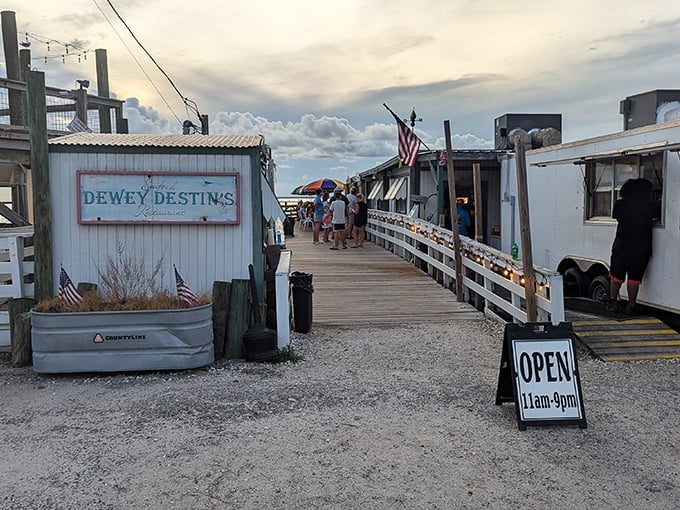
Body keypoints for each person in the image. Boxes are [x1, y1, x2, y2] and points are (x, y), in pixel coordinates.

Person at [606, 178, 661, 314]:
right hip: (641, 246)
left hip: (621, 245)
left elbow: (617, 216)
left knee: (616, 274)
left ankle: (613, 302)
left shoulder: (620, 205)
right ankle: (631, 305)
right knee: (634, 277)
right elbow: (658, 211)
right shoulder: (650, 206)